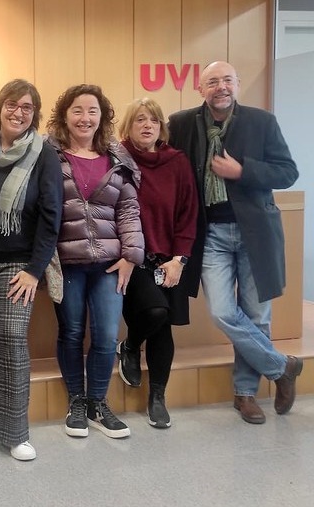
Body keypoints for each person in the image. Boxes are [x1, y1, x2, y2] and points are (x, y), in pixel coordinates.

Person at [168, 61, 301, 424]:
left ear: (238, 84)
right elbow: (165, 166)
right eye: (212, 81)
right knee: (223, 312)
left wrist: (243, 172)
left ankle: (245, 395)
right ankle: (281, 366)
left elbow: (288, 171)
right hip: (210, 233)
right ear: (200, 89)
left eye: (227, 80)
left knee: (258, 316)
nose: (221, 87)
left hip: (255, 233)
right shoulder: (181, 123)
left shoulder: (262, 122)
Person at [0, 79, 62, 461]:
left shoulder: (44, 153)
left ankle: (16, 431)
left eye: (27, 107)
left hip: (20, 263)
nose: (18, 112)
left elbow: (51, 216)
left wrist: (35, 270)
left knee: (12, 338)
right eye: (11, 104)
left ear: (34, 113)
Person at [45, 84, 144, 440]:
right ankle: (76, 401)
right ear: (64, 115)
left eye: (92, 111)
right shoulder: (49, 155)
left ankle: (98, 403)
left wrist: (132, 255)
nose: (85, 118)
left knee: (105, 334)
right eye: (77, 110)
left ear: (102, 116)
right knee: (71, 333)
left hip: (110, 264)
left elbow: (130, 210)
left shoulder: (117, 157)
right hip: (66, 263)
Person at [116, 98, 198, 428]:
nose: (147, 125)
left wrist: (179, 260)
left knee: (164, 327)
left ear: (161, 126)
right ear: (128, 126)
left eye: (153, 120)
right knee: (156, 312)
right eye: (139, 120)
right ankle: (132, 345)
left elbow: (188, 216)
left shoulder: (176, 162)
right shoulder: (117, 158)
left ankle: (157, 397)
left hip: (171, 259)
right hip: (131, 259)